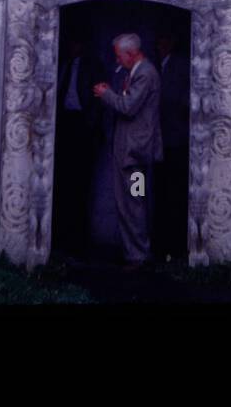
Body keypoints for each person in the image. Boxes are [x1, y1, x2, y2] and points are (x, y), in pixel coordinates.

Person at [93, 32, 163, 270]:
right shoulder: (137, 72)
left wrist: (106, 95)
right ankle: (134, 253)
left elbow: (128, 107)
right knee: (130, 202)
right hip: (129, 152)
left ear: (132, 54)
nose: (117, 62)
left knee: (134, 202)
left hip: (136, 153)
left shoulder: (145, 73)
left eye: (119, 57)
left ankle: (139, 255)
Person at [53, 38, 103, 256]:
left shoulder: (93, 67)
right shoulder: (61, 64)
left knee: (82, 183)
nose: (72, 46)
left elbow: (99, 100)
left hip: (83, 127)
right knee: (62, 182)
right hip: (64, 127)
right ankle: (60, 236)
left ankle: (79, 239)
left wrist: (91, 125)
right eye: (71, 43)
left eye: (76, 42)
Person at [153, 31, 190, 259]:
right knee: (160, 192)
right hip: (159, 140)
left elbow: (188, 98)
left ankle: (174, 248)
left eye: (165, 38)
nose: (160, 43)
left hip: (177, 138)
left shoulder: (182, 65)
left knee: (175, 193)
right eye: (159, 39)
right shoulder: (156, 66)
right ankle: (161, 246)